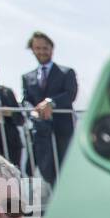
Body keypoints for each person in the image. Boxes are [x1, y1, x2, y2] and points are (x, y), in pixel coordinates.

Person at [21, 31, 77, 188]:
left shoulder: (66, 72)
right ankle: (38, 199)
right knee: (38, 168)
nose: (41, 52)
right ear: (32, 50)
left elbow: (70, 94)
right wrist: (33, 111)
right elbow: (26, 100)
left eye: (45, 48)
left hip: (61, 130)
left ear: (52, 49)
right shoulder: (27, 77)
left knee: (63, 170)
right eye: (37, 48)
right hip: (39, 131)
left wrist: (51, 103)